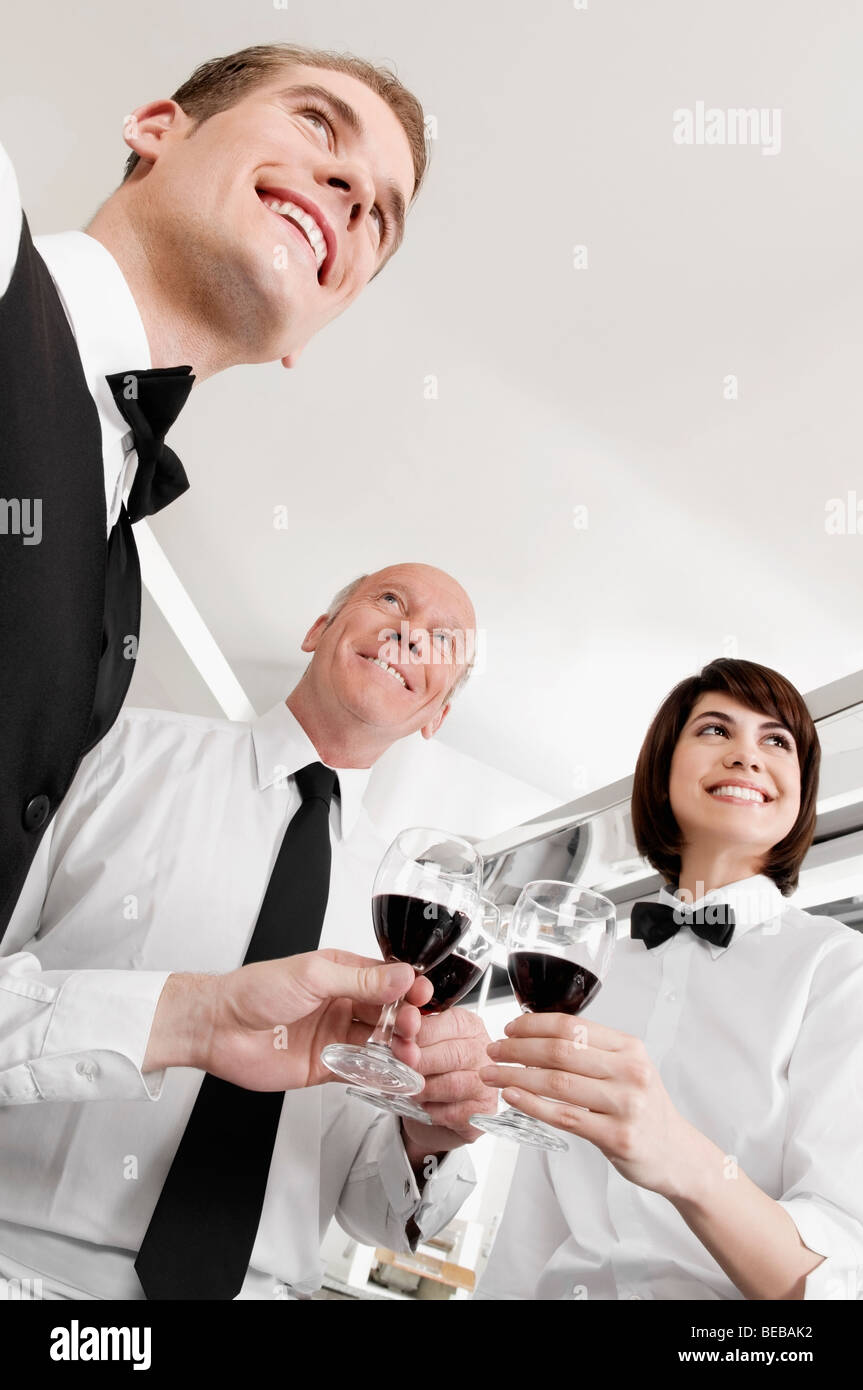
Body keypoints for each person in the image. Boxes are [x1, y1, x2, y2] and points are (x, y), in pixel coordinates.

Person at [0, 43, 428, 1083]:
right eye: (318, 128)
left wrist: (192, 1023)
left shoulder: (117, 572)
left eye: (377, 213)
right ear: (156, 127)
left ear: (314, 328)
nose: (348, 190)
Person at [0, 563, 497, 1299]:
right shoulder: (109, 754)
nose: (409, 633)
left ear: (436, 716)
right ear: (319, 630)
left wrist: (424, 1140)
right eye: (390, 600)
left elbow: (363, 1206)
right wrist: (186, 1018)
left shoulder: (413, 912)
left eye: (442, 639)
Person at [477, 658, 863, 1300]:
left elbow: (838, 1277)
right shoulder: (594, 973)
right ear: (661, 776)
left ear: (799, 797)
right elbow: (529, 1232)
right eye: (715, 730)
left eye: (777, 741)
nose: (747, 756)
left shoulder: (840, 970)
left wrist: (678, 1154)